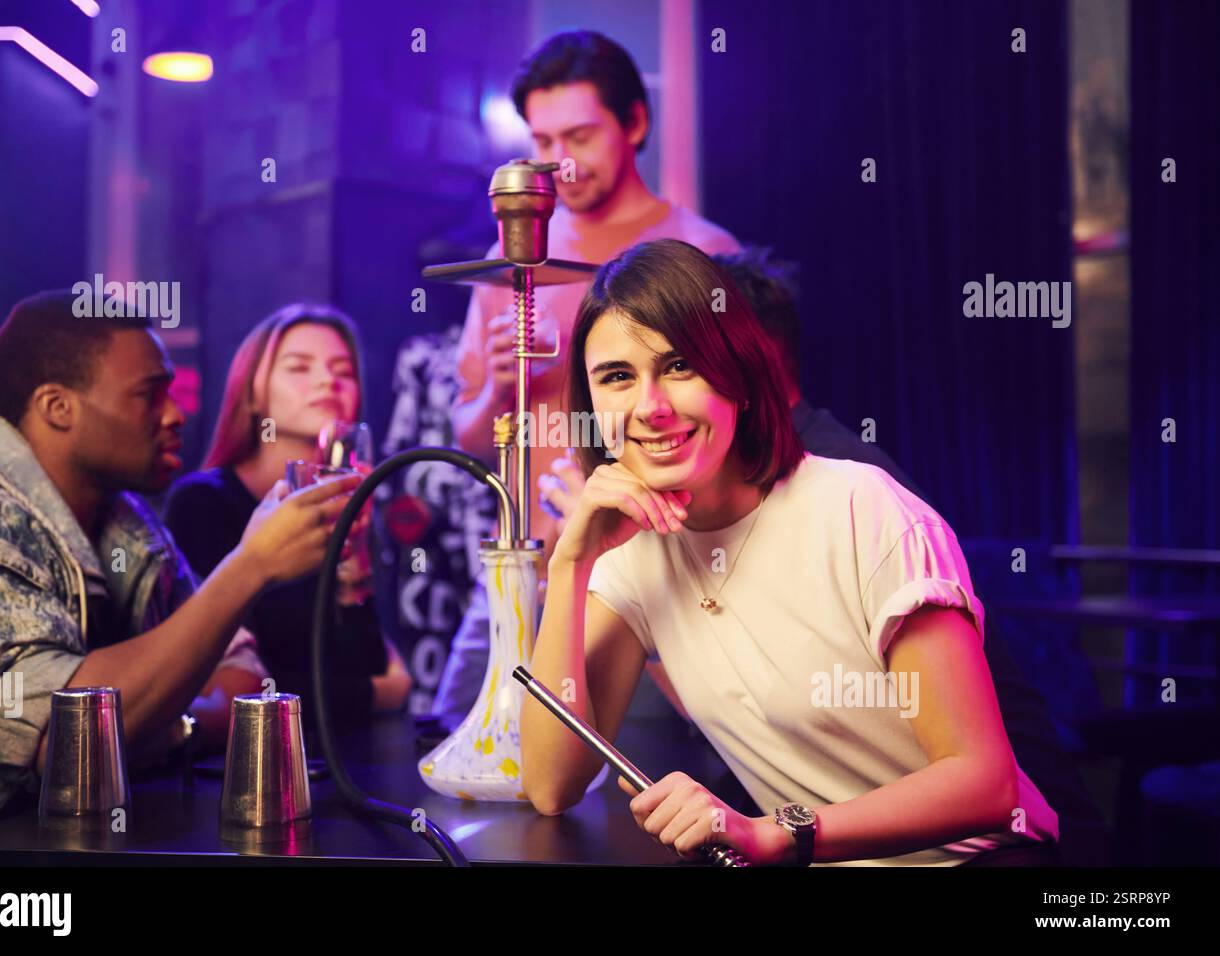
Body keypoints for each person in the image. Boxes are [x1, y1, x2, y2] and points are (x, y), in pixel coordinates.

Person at [520, 240, 1060, 865]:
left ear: (740, 378)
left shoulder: (859, 506)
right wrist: (570, 566)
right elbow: (551, 783)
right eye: (617, 377)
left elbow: (985, 784)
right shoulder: (629, 552)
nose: (651, 407)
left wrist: (772, 832)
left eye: (679, 367)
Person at [0, 291, 360, 865]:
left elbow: (244, 678)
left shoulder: (128, 520)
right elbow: (70, 737)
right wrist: (249, 565)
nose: (175, 414)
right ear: (58, 407)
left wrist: (156, 727)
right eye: (148, 394)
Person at [433, 29, 739, 725]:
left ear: (635, 123)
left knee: (640, 788)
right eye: (541, 143)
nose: (558, 165)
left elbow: (739, 435)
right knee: (460, 755)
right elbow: (472, 443)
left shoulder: (705, 251)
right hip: (527, 567)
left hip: (663, 577)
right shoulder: (509, 258)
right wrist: (503, 383)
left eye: (578, 136)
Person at [163, 304, 410, 738]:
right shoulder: (203, 504)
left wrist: (355, 565)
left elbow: (364, 662)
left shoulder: (351, 507)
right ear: (254, 392)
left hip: (341, 762)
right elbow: (253, 689)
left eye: (343, 370)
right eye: (299, 367)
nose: (326, 381)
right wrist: (378, 693)